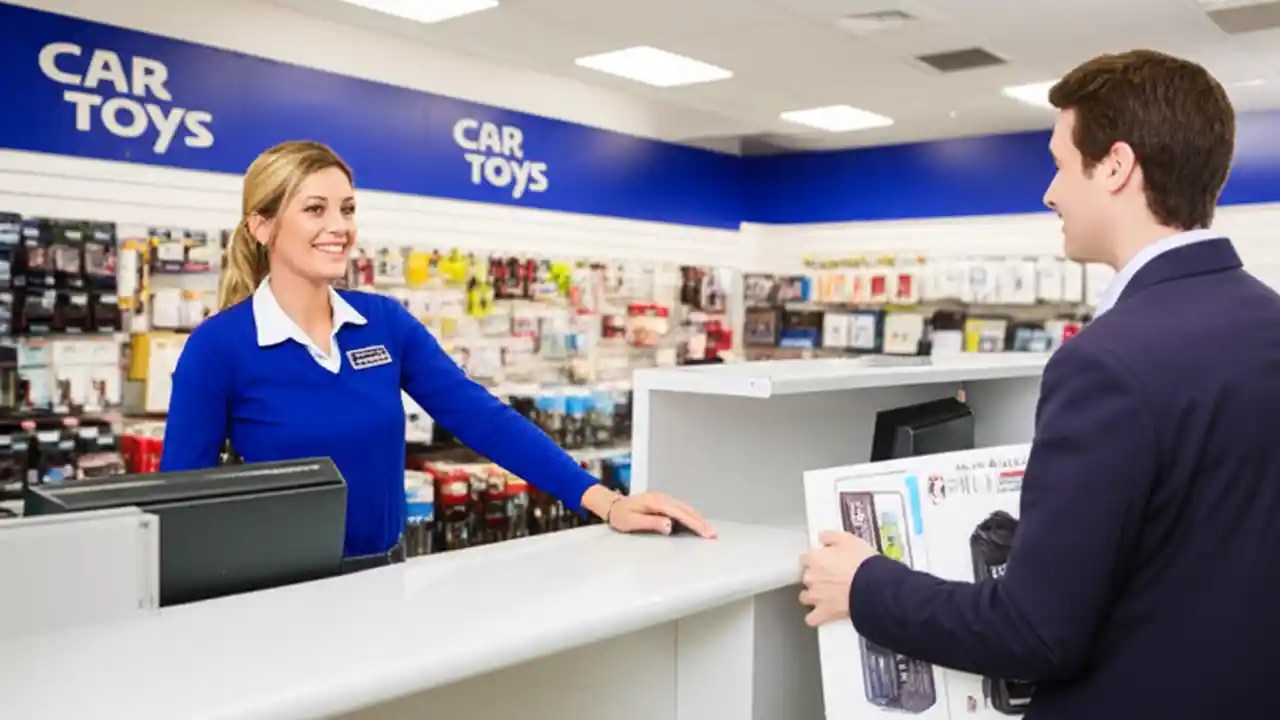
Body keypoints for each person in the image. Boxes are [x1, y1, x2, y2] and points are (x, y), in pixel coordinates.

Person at [800, 49, 1280, 719]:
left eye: (1058, 164)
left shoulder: (1107, 363)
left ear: (1115, 166)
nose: (1050, 193)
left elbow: (1033, 631)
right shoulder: (1267, 321)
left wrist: (866, 584)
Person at [160, 140, 715, 570]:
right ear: (261, 225)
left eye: (348, 209)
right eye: (315, 209)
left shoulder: (383, 324)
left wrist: (605, 500)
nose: (339, 227)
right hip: (274, 595)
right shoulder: (219, 348)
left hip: (385, 574)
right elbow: (182, 502)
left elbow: (482, 417)